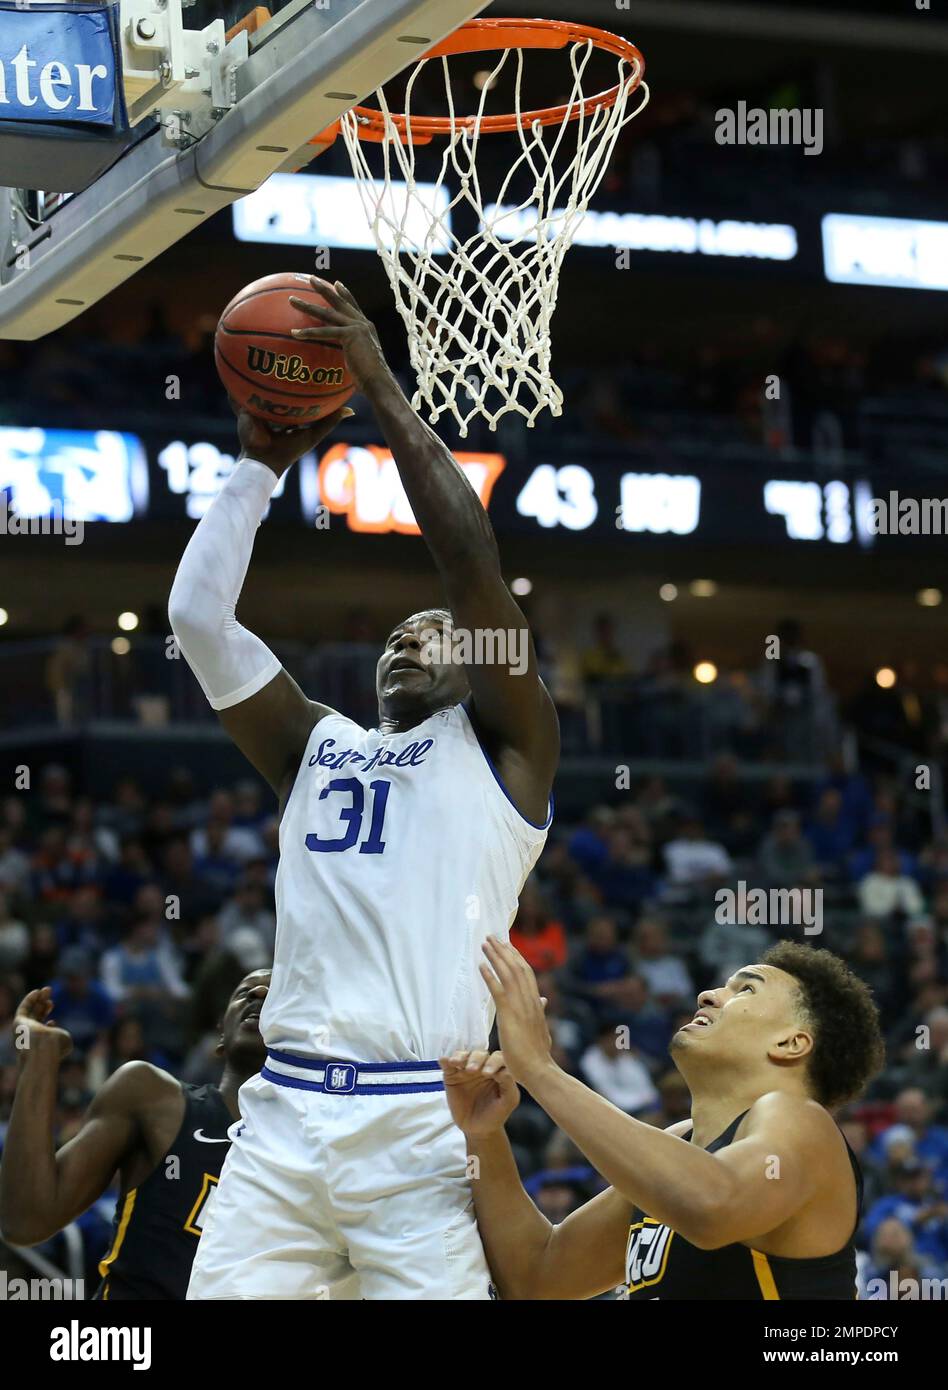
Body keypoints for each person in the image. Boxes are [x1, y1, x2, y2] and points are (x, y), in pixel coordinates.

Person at [168, 277, 559, 1301]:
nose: (411, 633)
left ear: (480, 660)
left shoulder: (510, 752)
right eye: (395, 631)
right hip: (285, 1118)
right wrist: (258, 466)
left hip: (420, 1132)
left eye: (434, 629)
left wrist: (378, 388)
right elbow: (199, 620)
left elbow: (470, 563)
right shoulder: (315, 747)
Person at [441, 939, 884, 1299]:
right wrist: (485, 1134)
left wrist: (540, 1070)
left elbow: (712, 1206)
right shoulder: (679, 1144)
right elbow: (539, 1277)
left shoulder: (804, 1123)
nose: (709, 995)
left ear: (792, 1043)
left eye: (745, 990)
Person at [0, 972, 269, 1299]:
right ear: (219, 1034)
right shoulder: (153, 1098)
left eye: (277, 993)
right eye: (244, 992)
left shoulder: (319, 1152)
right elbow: (26, 1220)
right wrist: (38, 1058)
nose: (258, 992)